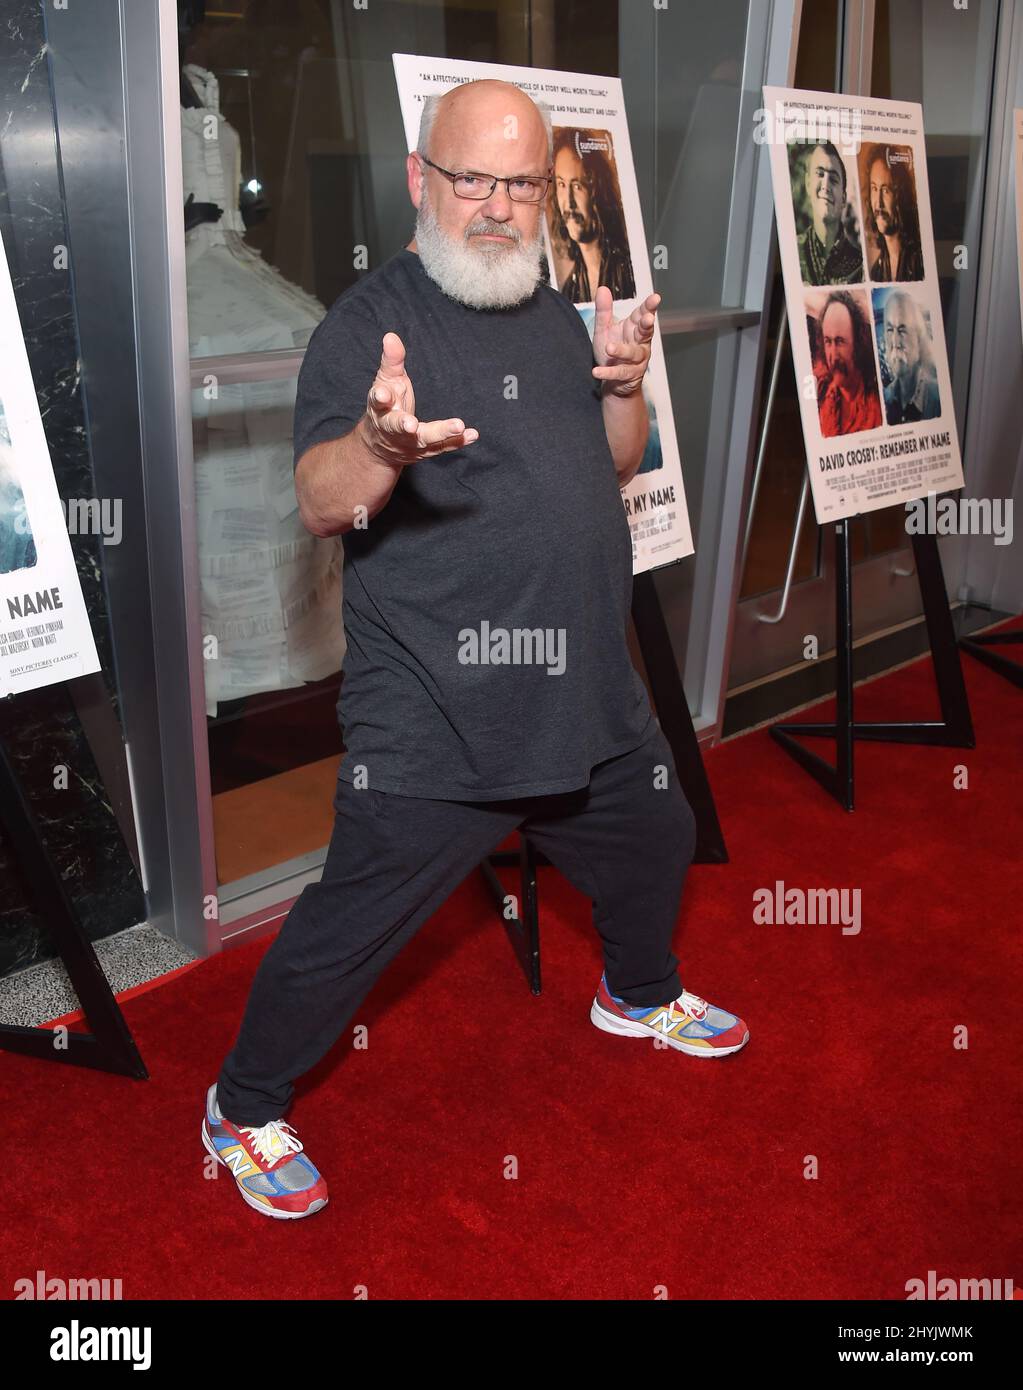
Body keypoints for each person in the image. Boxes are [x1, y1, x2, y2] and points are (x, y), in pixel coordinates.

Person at [201, 79, 748, 1221]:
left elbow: (612, 465)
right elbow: (316, 500)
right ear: (419, 180)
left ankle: (635, 994)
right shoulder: (366, 326)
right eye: (472, 181)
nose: (497, 207)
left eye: (521, 184)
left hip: (583, 685)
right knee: (351, 928)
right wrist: (377, 444)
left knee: (658, 831)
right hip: (437, 707)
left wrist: (622, 383)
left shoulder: (548, 308)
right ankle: (242, 1105)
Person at [549, 127, 636, 303]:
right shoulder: (568, 290)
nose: (569, 202)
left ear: (597, 191)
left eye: (577, 186)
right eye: (561, 185)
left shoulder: (628, 272)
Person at [795, 142, 863, 286]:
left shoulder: (860, 265)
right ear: (808, 184)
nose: (825, 185)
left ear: (843, 199)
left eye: (833, 179)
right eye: (820, 174)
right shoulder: (793, 252)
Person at [815, 291, 882, 437]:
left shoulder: (877, 406)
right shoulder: (820, 391)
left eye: (840, 342)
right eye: (828, 341)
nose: (834, 355)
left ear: (857, 343)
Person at [863, 146, 924, 283]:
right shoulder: (876, 272)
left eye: (885, 190)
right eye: (874, 188)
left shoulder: (920, 261)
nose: (878, 203)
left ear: (900, 196)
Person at [882, 291, 940, 424]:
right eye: (890, 330)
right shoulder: (885, 398)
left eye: (902, 331)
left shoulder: (938, 399)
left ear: (919, 338)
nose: (895, 342)